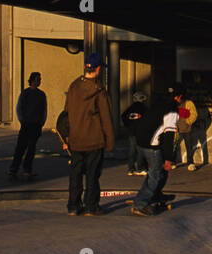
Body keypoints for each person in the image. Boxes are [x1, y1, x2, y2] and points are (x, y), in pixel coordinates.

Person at [63, 53, 115, 217]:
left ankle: (73, 205)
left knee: (75, 173)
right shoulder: (99, 90)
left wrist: (66, 137)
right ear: (98, 69)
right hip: (94, 139)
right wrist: (110, 142)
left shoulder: (74, 86)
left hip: (76, 138)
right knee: (92, 175)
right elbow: (106, 118)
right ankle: (91, 206)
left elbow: (66, 113)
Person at [130, 92, 179, 217]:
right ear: (179, 97)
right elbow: (169, 136)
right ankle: (140, 204)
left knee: (160, 172)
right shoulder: (172, 111)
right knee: (155, 175)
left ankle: (155, 195)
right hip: (152, 146)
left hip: (141, 143)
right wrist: (169, 158)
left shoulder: (157, 105)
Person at [8, 72, 46, 180]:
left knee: (31, 148)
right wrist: (23, 120)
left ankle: (26, 169)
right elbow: (19, 108)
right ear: (33, 80)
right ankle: (14, 168)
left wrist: (41, 122)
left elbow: (44, 110)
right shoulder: (25, 93)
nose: (39, 81)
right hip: (27, 124)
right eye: (38, 79)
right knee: (21, 147)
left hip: (35, 124)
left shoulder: (41, 94)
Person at [174, 89, 203, 170]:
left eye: (176, 97)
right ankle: (173, 162)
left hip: (186, 128)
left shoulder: (188, 103)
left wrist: (188, 122)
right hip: (176, 128)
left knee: (189, 146)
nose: (175, 98)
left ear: (180, 96)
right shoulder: (174, 104)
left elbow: (194, 114)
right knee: (174, 145)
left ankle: (190, 163)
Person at [121, 92, 149, 176]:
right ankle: (140, 168)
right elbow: (147, 119)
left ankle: (131, 169)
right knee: (140, 150)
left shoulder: (130, 108)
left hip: (131, 132)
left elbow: (123, 116)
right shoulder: (144, 108)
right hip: (140, 132)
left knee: (132, 150)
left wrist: (128, 125)